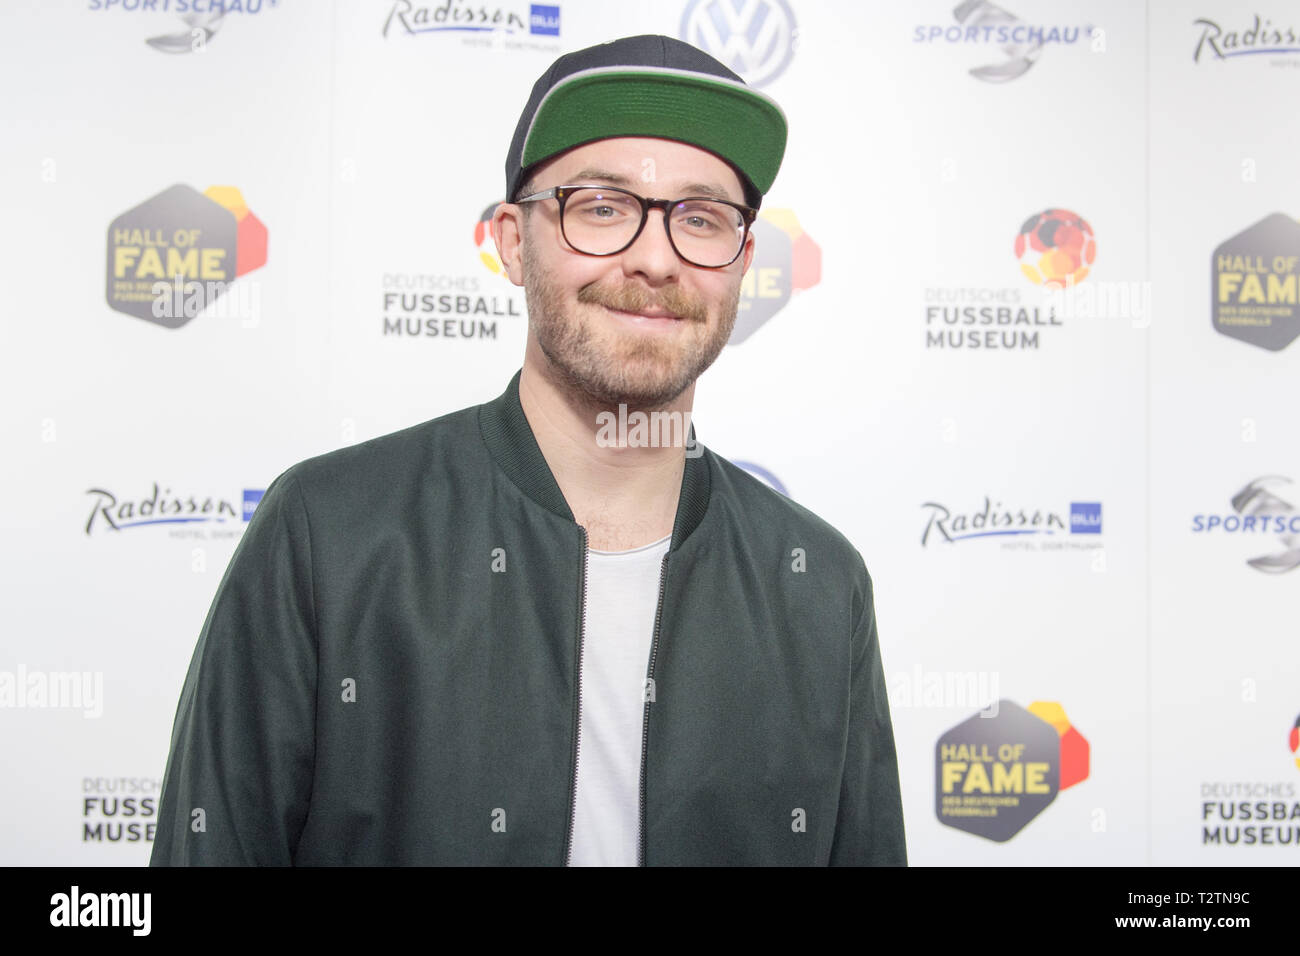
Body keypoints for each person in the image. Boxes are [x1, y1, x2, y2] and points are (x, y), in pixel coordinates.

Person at [150, 34, 906, 867]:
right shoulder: (329, 535)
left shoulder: (821, 586)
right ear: (513, 240)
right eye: (604, 207)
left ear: (743, 263)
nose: (655, 259)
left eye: (701, 218)